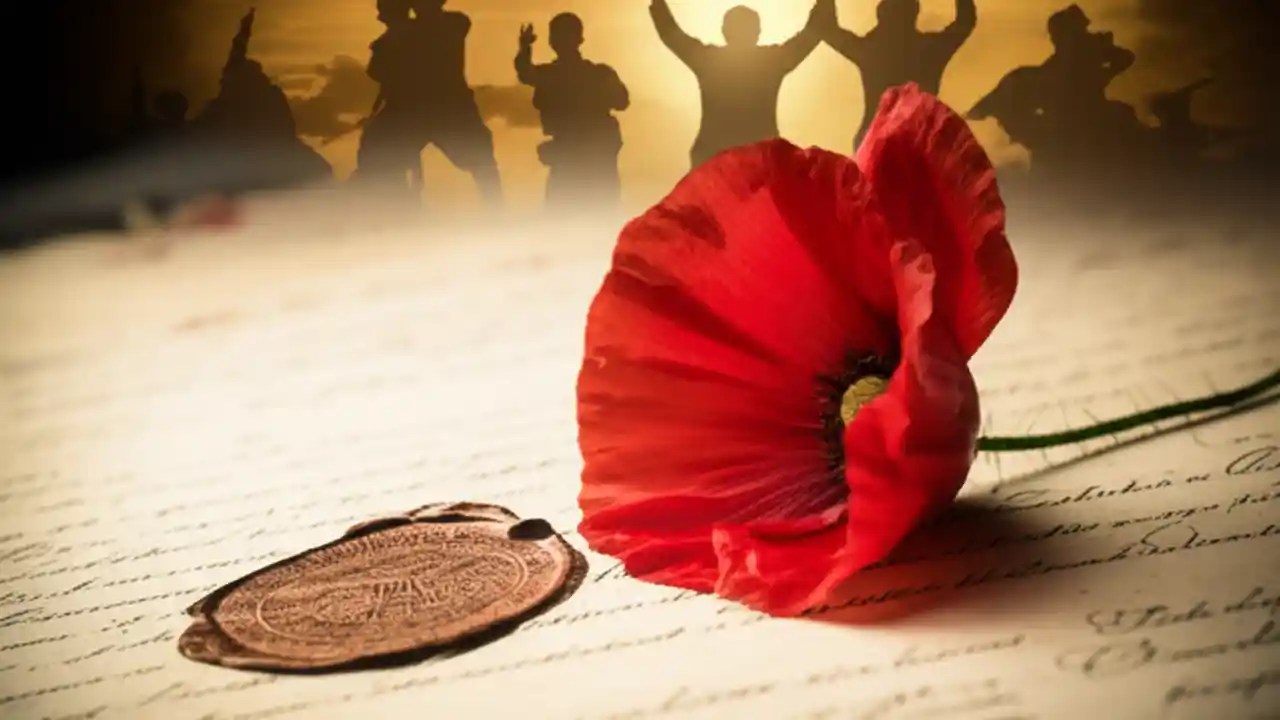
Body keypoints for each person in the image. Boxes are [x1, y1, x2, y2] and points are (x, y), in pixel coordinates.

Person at [650, 0, 827, 168]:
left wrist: (658, 4)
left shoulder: (708, 60)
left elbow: (671, 34)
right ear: (757, 32)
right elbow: (809, 36)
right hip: (758, 159)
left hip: (714, 157)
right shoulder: (772, 62)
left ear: (724, 31)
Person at [823, 0, 976, 149]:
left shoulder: (871, 51)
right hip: (919, 144)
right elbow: (965, 22)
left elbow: (827, 29)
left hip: (879, 145)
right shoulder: (931, 49)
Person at [516, 13, 630, 207]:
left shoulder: (552, 75)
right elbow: (622, 101)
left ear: (552, 42)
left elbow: (526, 73)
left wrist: (525, 47)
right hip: (591, 160)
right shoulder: (600, 74)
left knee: (565, 216)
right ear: (580, 39)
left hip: (574, 159)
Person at [410, 0, 503, 205]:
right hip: (429, 107)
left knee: (484, 164)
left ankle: (497, 213)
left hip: (449, 106)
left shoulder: (454, 23)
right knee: (400, 160)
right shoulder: (448, 24)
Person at [353, 0, 426, 195]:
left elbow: (384, 77)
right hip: (403, 106)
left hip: (410, 108)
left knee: (388, 143)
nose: (379, 16)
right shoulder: (396, 39)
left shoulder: (400, 39)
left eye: (382, 11)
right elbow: (385, 83)